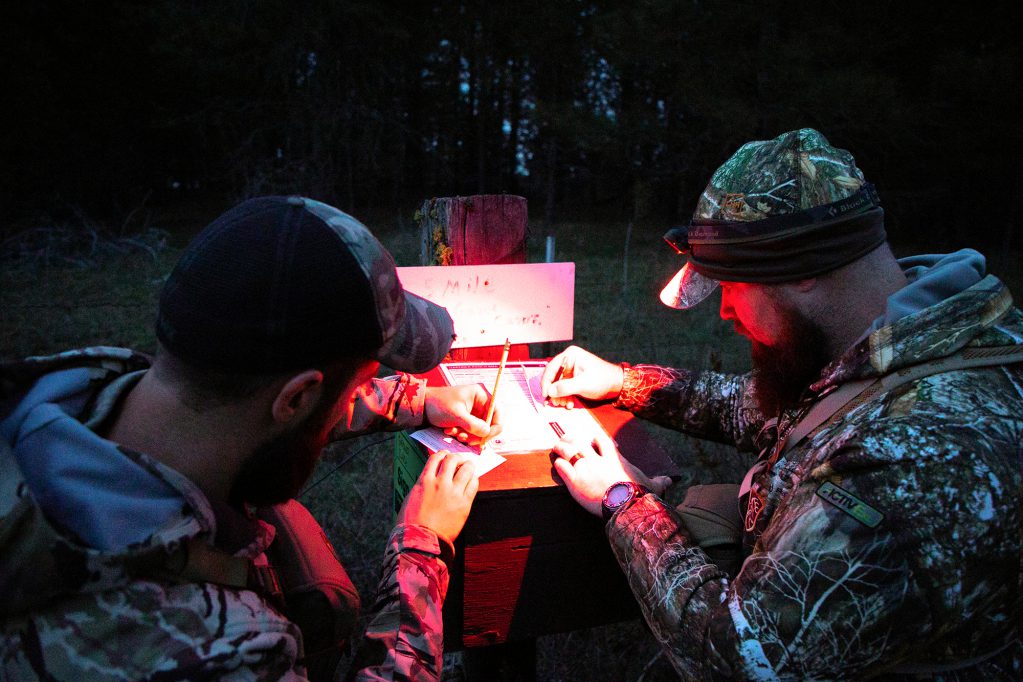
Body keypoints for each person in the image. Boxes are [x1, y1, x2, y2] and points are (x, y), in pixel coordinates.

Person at [540, 129, 1022, 679]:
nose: (723, 312)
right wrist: (622, 382)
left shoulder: (922, 452)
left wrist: (622, 499)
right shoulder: (888, 339)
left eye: (732, 286)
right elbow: (762, 409)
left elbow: (740, 657)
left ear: (805, 272)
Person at [0, 195, 501, 680]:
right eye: (357, 388)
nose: (360, 396)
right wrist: (420, 550)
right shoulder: (219, 653)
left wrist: (413, 401)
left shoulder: (71, 400)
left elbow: (255, 404)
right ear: (296, 399)